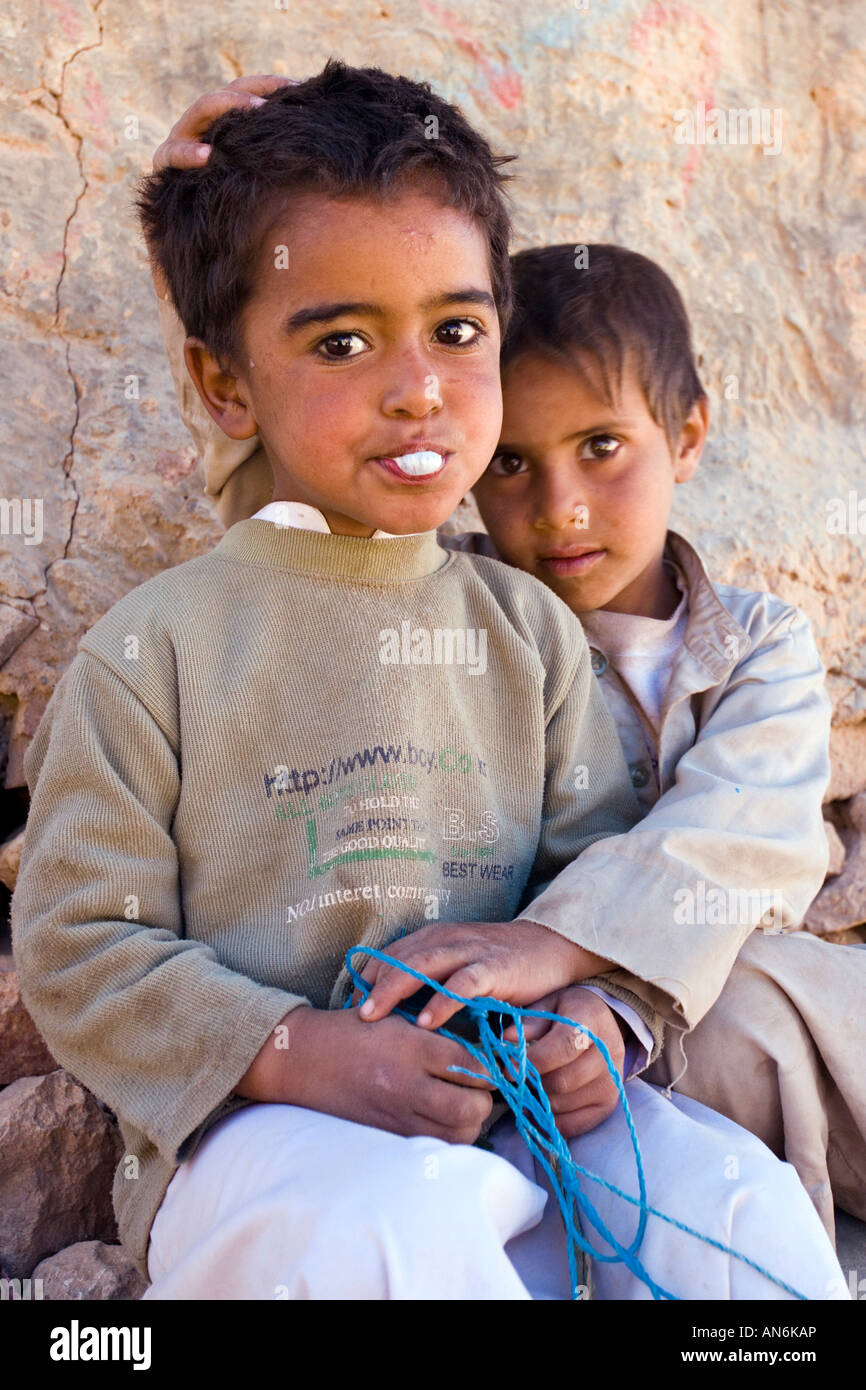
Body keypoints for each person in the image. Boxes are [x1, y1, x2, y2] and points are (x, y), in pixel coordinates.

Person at [12, 61, 847, 1302]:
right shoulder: (160, 648)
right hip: (275, 1140)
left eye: (457, 332)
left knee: (734, 1212)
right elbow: (83, 947)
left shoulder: (523, 628)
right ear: (222, 385)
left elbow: (593, 865)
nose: (416, 387)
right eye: (342, 339)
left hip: (524, 1102)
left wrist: (596, 1024)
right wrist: (300, 1054)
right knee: (386, 1238)